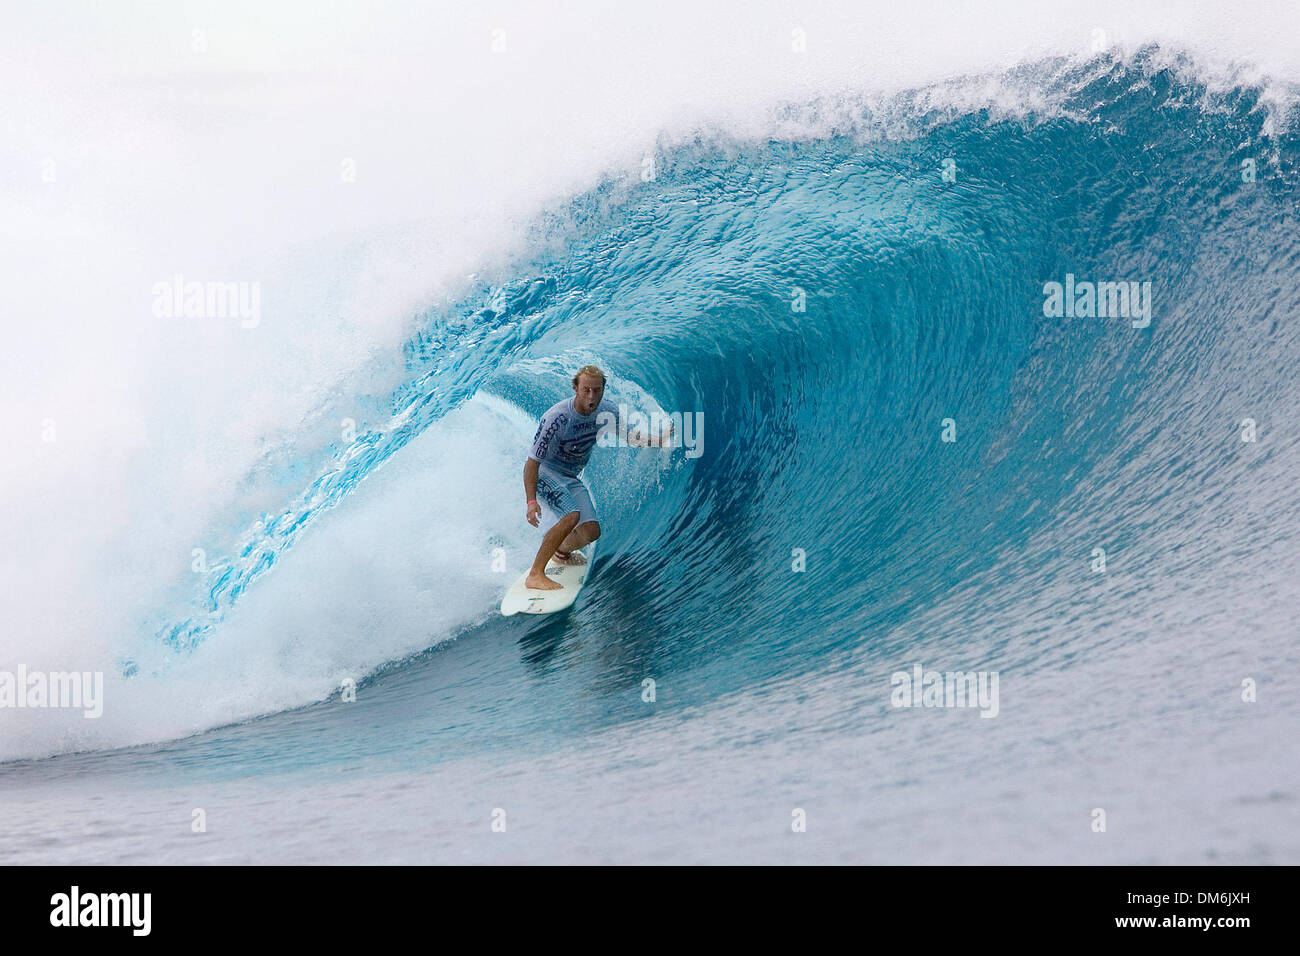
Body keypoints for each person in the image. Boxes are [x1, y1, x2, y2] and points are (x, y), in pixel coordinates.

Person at [523, 365, 672, 590]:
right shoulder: (556, 418)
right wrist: (531, 501)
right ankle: (535, 574)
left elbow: (630, 436)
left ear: (603, 389)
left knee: (591, 531)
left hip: (569, 476)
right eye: (586, 390)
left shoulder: (607, 412)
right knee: (572, 516)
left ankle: (560, 551)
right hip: (546, 473)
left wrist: (657, 440)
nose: (591, 396)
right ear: (575, 388)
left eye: (596, 390)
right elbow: (532, 462)